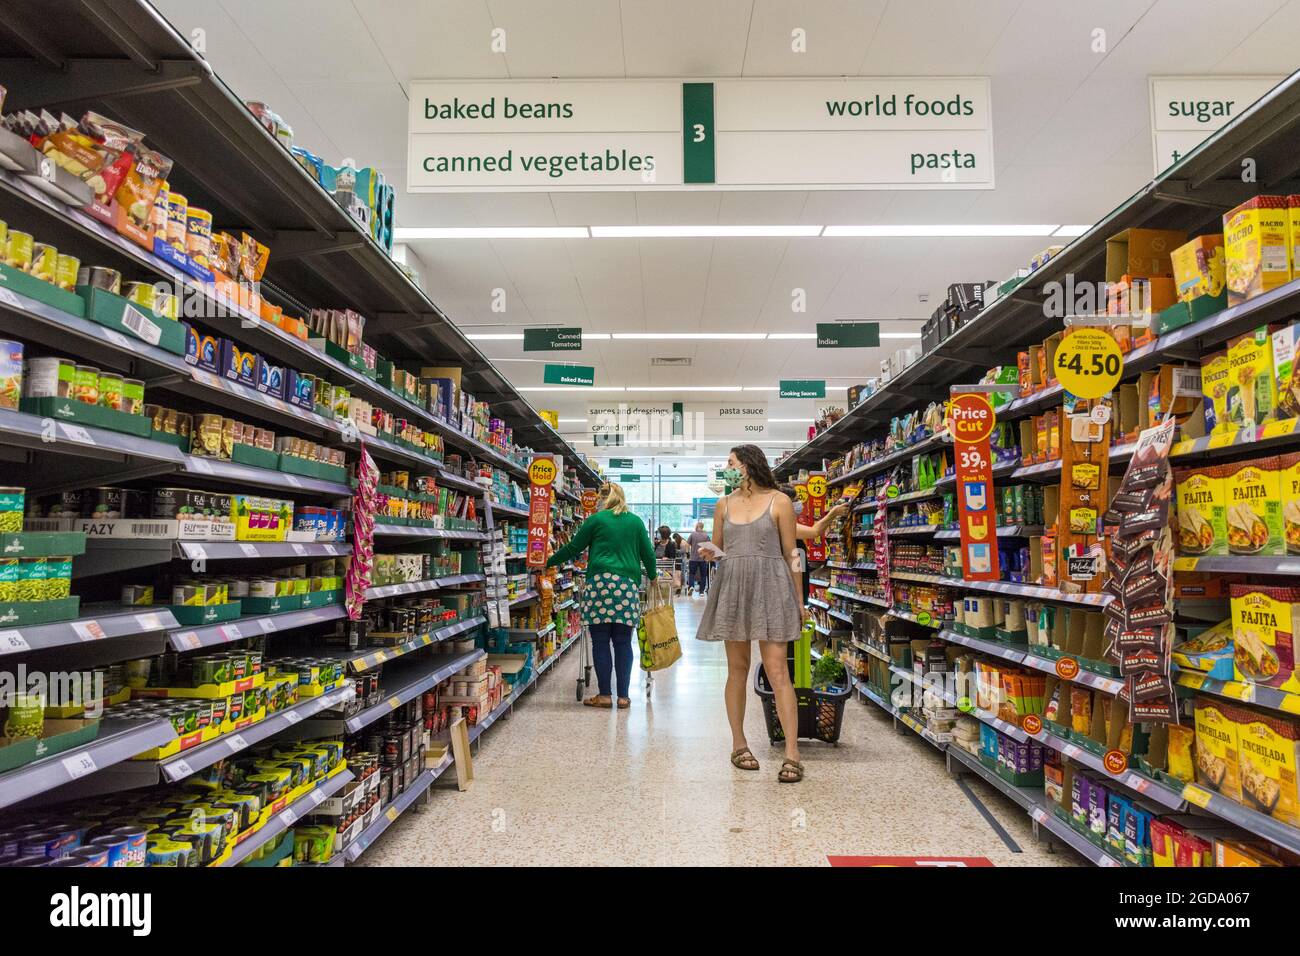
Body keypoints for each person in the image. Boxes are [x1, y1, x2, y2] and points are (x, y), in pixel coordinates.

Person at [695, 444, 806, 783]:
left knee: (777, 671)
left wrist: (799, 599)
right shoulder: (723, 504)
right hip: (733, 588)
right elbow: (718, 547)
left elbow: (793, 553)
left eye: (730, 463)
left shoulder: (779, 501)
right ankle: (739, 744)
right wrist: (708, 553)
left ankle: (792, 752)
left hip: (772, 587)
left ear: (747, 466)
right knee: (737, 670)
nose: (726, 468)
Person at [546, 483, 657, 710]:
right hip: (626, 587)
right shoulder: (635, 522)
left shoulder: (595, 520)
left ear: (603, 500)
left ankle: (605, 695)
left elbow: (573, 549)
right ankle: (623, 697)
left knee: (600, 641)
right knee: (623, 642)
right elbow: (648, 555)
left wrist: (546, 562)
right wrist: (654, 578)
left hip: (599, 586)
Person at [686, 520, 712, 596]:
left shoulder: (692, 534)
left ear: (696, 526)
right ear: (702, 527)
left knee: (692, 574)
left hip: (693, 558)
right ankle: (701, 592)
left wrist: (688, 553)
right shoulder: (706, 535)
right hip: (703, 559)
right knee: (703, 575)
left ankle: (691, 586)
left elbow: (687, 544)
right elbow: (709, 547)